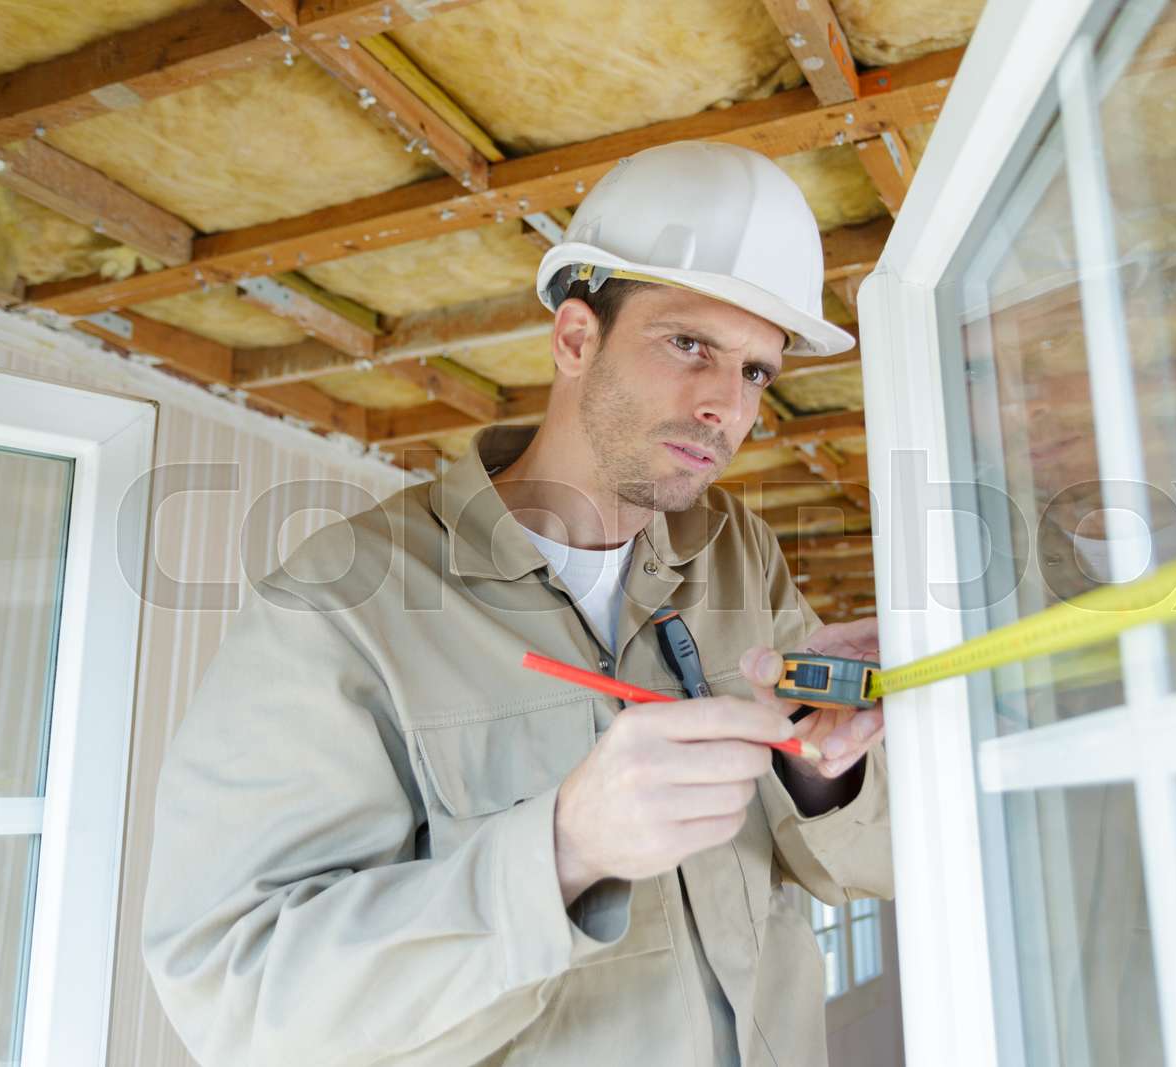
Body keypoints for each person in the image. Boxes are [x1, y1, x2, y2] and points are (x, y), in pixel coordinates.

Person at [142, 141, 893, 1067]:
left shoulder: (737, 552)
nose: (724, 408)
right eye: (689, 344)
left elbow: (846, 866)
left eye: (754, 372)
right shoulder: (344, 602)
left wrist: (822, 769)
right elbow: (236, 996)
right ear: (577, 338)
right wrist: (563, 849)